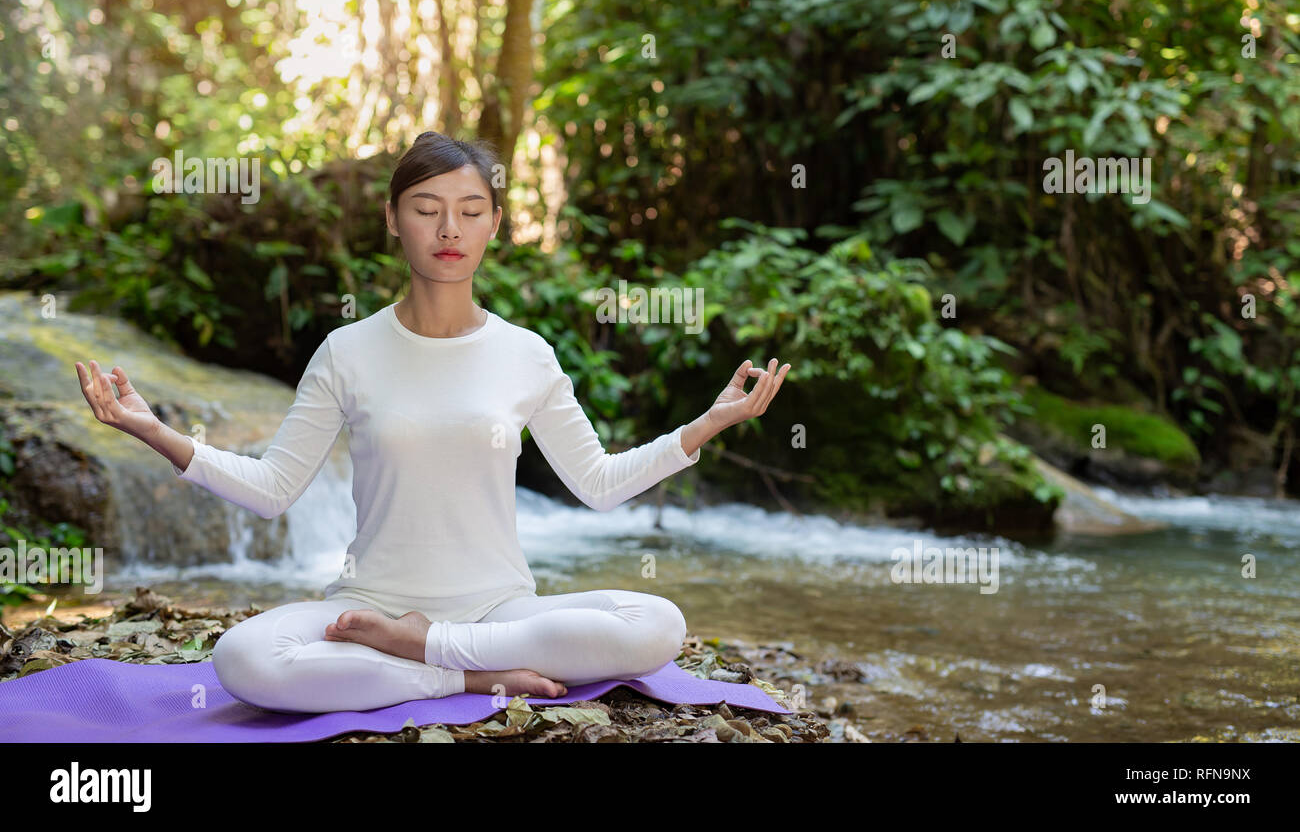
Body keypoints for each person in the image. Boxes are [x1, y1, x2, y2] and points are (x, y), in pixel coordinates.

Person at [74, 130, 791, 713]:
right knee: (241, 659)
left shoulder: (526, 354)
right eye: (426, 207)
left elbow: (600, 483)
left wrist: (706, 424)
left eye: (470, 209)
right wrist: (151, 429)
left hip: (502, 612)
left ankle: (429, 651)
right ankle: (460, 677)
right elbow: (272, 488)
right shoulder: (346, 351)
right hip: (369, 608)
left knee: (659, 623)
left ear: (494, 225)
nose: (449, 228)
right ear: (392, 219)